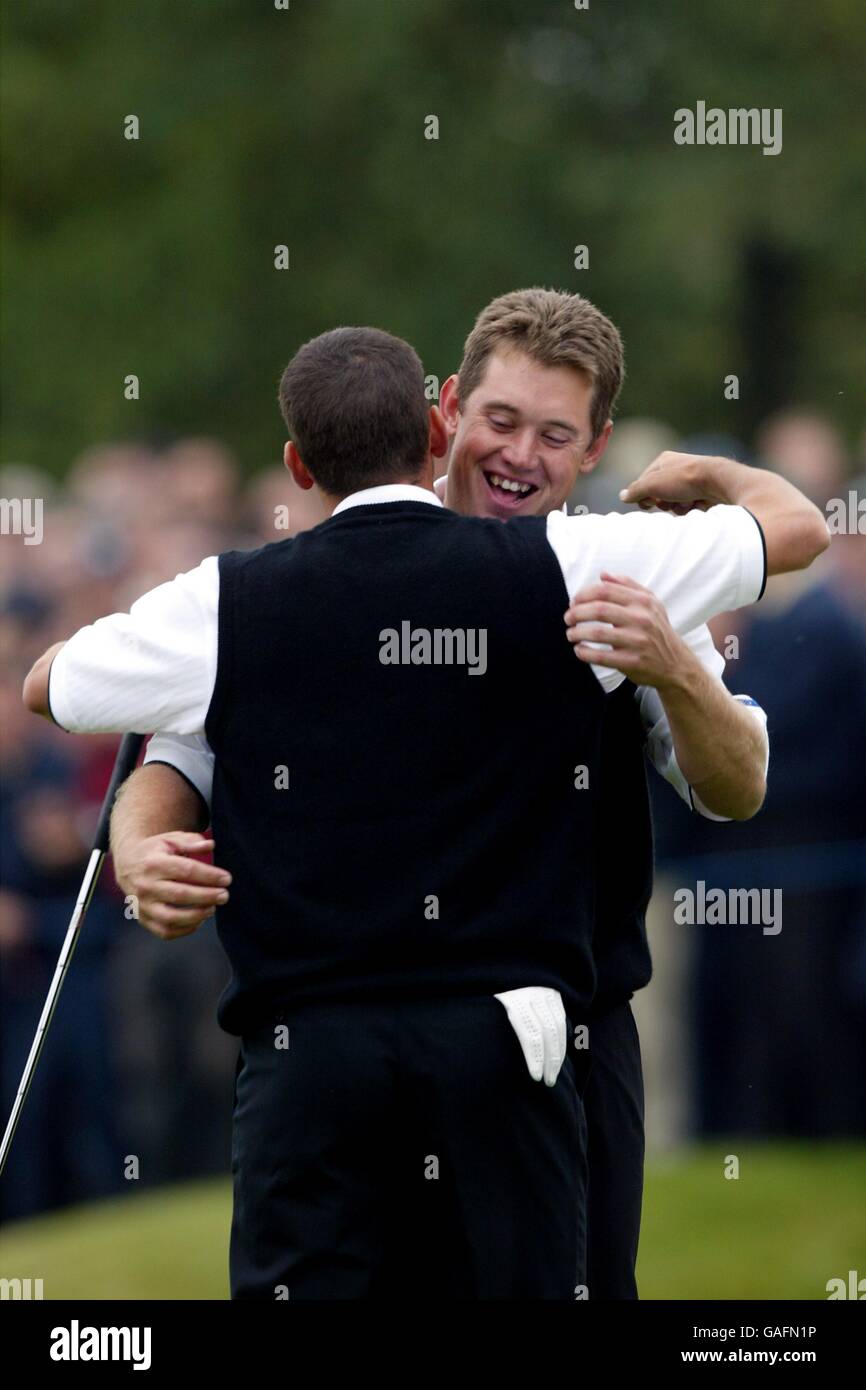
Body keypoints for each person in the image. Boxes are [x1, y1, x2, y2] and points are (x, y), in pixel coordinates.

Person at [25, 326, 826, 1299]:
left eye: (553, 434)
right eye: (500, 421)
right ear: (445, 413)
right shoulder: (564, 564)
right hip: (438, 1037)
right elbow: (175, 752)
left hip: (566, 1027)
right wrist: (137, 839)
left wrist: (668, 663)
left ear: (594, 446)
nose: (520, 455)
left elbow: (735, 786)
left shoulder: (609, 571)